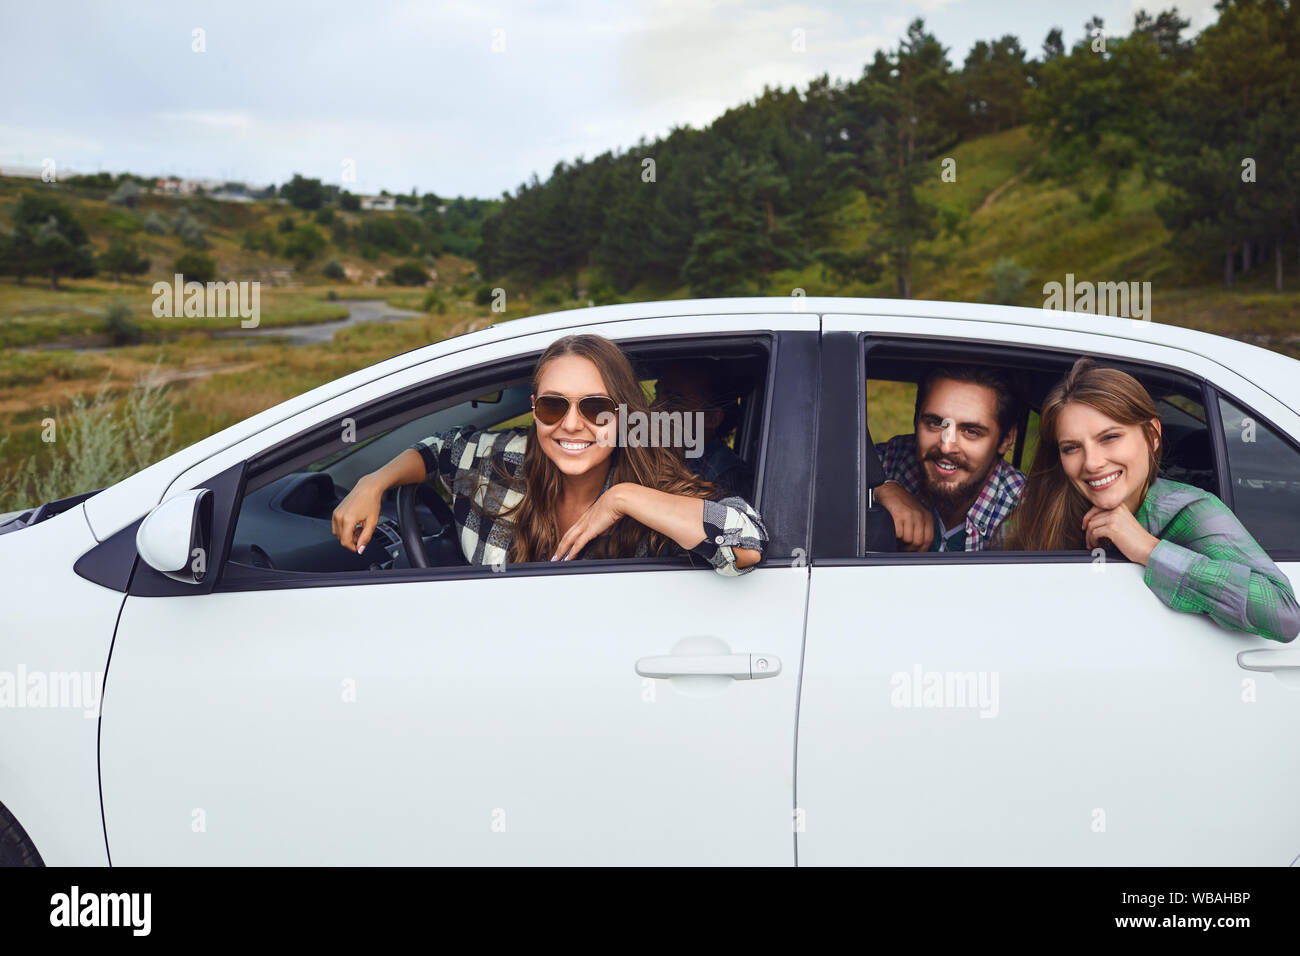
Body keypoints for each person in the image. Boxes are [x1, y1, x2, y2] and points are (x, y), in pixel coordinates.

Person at [331, 334, 767, 576]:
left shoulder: (658, 485)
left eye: (596, 407)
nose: (572, 424)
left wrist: (623, 500)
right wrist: (373, 482)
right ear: (535, 406)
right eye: (554, 405)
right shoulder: (501, 461)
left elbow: (745, 544)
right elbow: (439, 450)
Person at [1007, 357, 1299, 642]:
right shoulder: (1046, 511)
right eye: (1071, 447)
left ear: (1152, 434)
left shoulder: (1190, 511)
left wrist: (1149, 549)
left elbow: (1283, 614)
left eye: (1109, 437)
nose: (1092, 463)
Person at [874, 366, 1025, 552]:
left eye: (971, 431)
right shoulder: (895, 457)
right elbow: (833, 468)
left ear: (1006, 439)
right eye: (935, 423)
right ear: (916, 419)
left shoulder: (1027, 513)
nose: (946, 447)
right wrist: (881, 487)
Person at [652, 359, 754, 499]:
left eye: (674, 400)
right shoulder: (661, 456)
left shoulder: (728, 478)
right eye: (657, 395)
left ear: (711, 418)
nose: (654, 408)